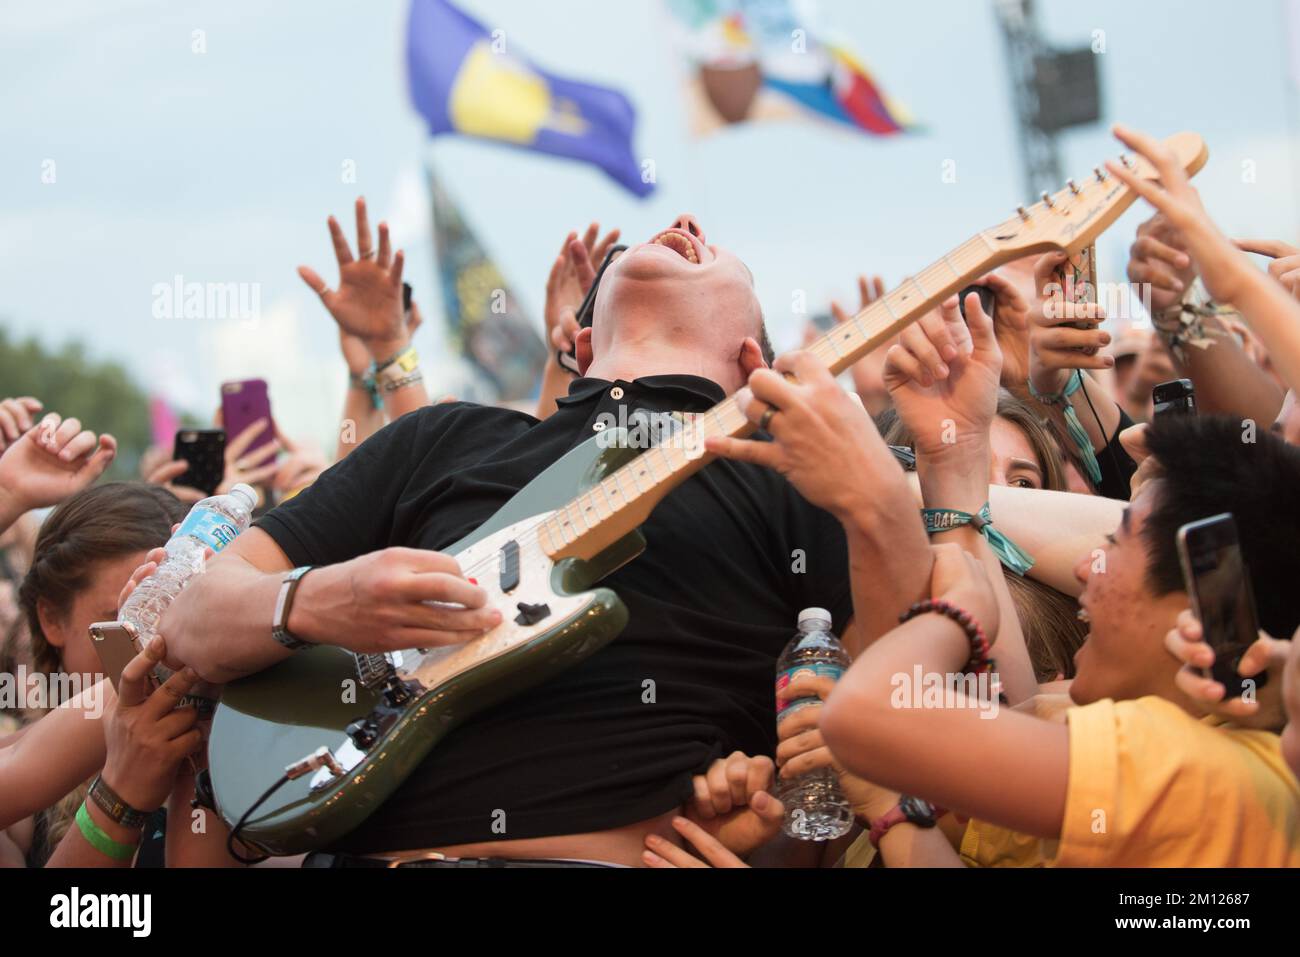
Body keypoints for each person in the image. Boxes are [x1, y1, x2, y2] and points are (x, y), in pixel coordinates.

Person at [160, 212, 923, 868]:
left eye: (714, 247)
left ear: (753, 364)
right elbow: (193, 619)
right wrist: (328, 598)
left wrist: (899, 495)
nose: (685, 223)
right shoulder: (443, 438)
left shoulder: (803, 477)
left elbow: (905, 731)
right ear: (583, 345)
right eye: (636, 247)